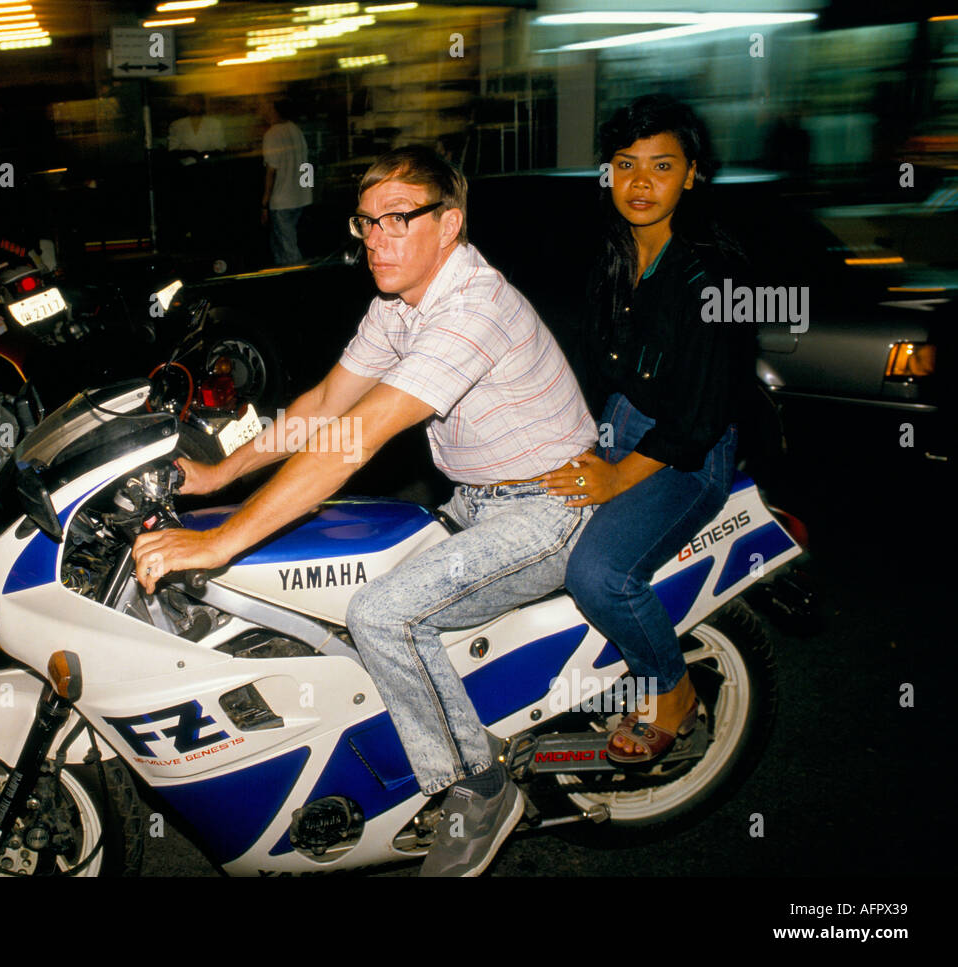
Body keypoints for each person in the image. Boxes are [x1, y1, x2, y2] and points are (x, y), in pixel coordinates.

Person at [132, 146, 597, 876]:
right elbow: (324, 405)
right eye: (367, 221)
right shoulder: (398, 303)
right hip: (473, 498)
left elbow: (355, 441)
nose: (375, 238)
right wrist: (219, 473)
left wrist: (220, 539)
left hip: (551, 510)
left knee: (383, 613)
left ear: (450, 224)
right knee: (326, 585)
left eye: (397, 220)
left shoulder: (471, 307)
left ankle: (480, 787)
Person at [541, 94, 748, 764]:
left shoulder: (711, 272)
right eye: (625, 164)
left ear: (691, 174)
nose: (639, 182)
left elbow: (697, 417)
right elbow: (596, 369)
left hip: (688, 455)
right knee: (527, 519)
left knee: (598, 571)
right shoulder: (616, 253)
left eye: (661, 166)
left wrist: (614, 475)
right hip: (623, 423)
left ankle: (673, 687)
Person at [260, 98, 312, 265]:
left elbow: (271, 171)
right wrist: (307, 189)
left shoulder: (271, 134)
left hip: (281, 201)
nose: (263, 112)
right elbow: (306, 163)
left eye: (266, 108)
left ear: (274, 110)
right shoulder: (296, 130)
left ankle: (297, 279)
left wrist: (264, 203)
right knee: (282, 244)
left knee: (287, 247)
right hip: (301, 198)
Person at [168, 94, 225, 160]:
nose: (194, 106)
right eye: (191, 104)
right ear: (186, 106)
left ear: (203, 105)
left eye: (197, 103)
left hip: (209, 163)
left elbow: (220, 148)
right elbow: (172, 149)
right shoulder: (176, 125)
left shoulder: (215, 123)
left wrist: (205, 155)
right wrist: (189, 153)